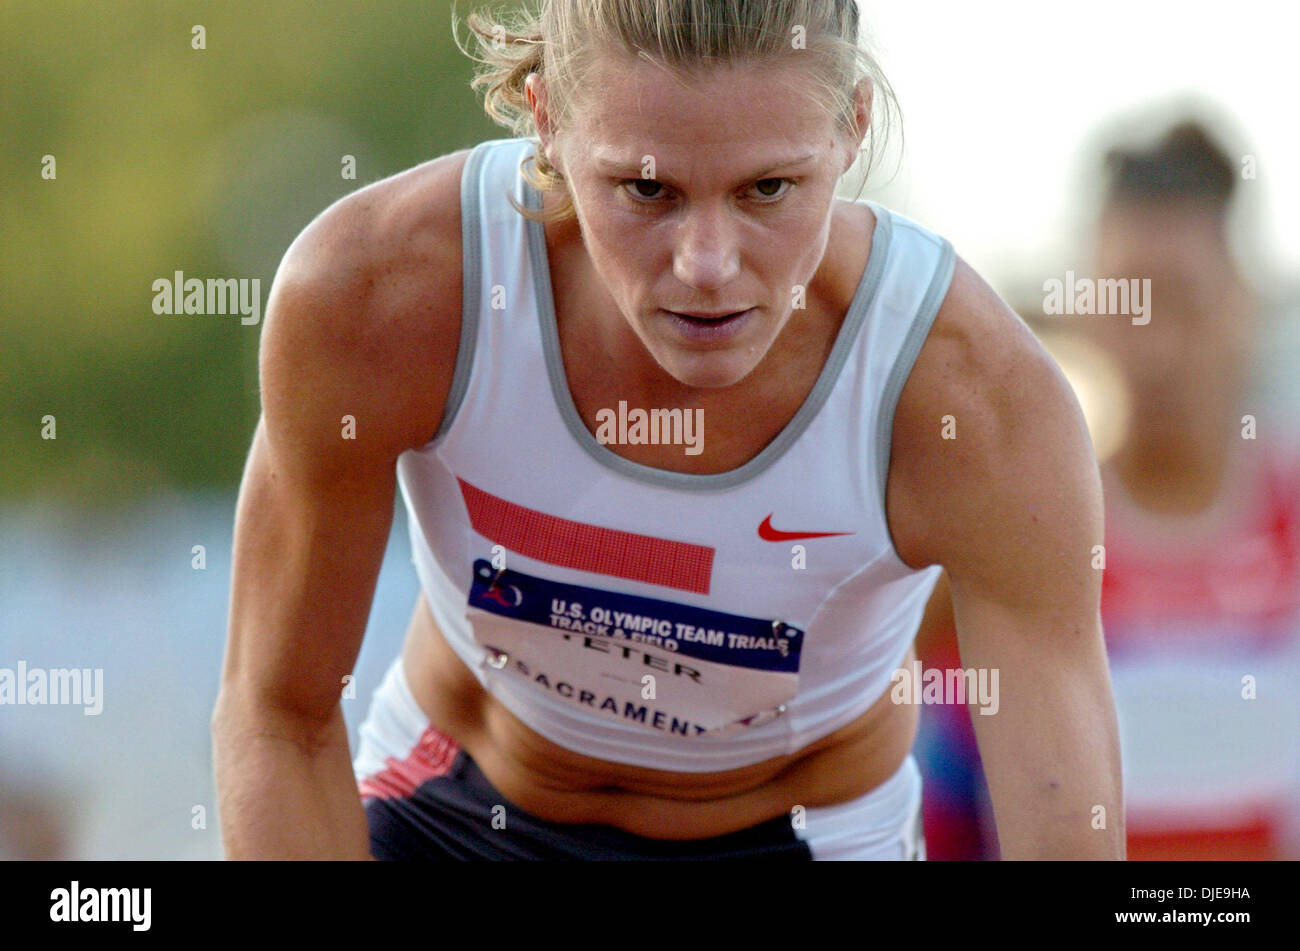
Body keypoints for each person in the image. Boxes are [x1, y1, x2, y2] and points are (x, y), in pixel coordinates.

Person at [212, 0, 1123, 860]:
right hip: (456, 807)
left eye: (769, 188)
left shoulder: (972, 399)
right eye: (645, 190)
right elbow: (278, 720)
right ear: (546, 122)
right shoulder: (382, 293)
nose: (707, 266)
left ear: (852, 125)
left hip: (799, 834)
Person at [1081, 118, 1300, 859]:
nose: (1160, 349)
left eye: (1184, 302)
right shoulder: (1027, 532)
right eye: (1128, 305)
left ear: (1242, 302)